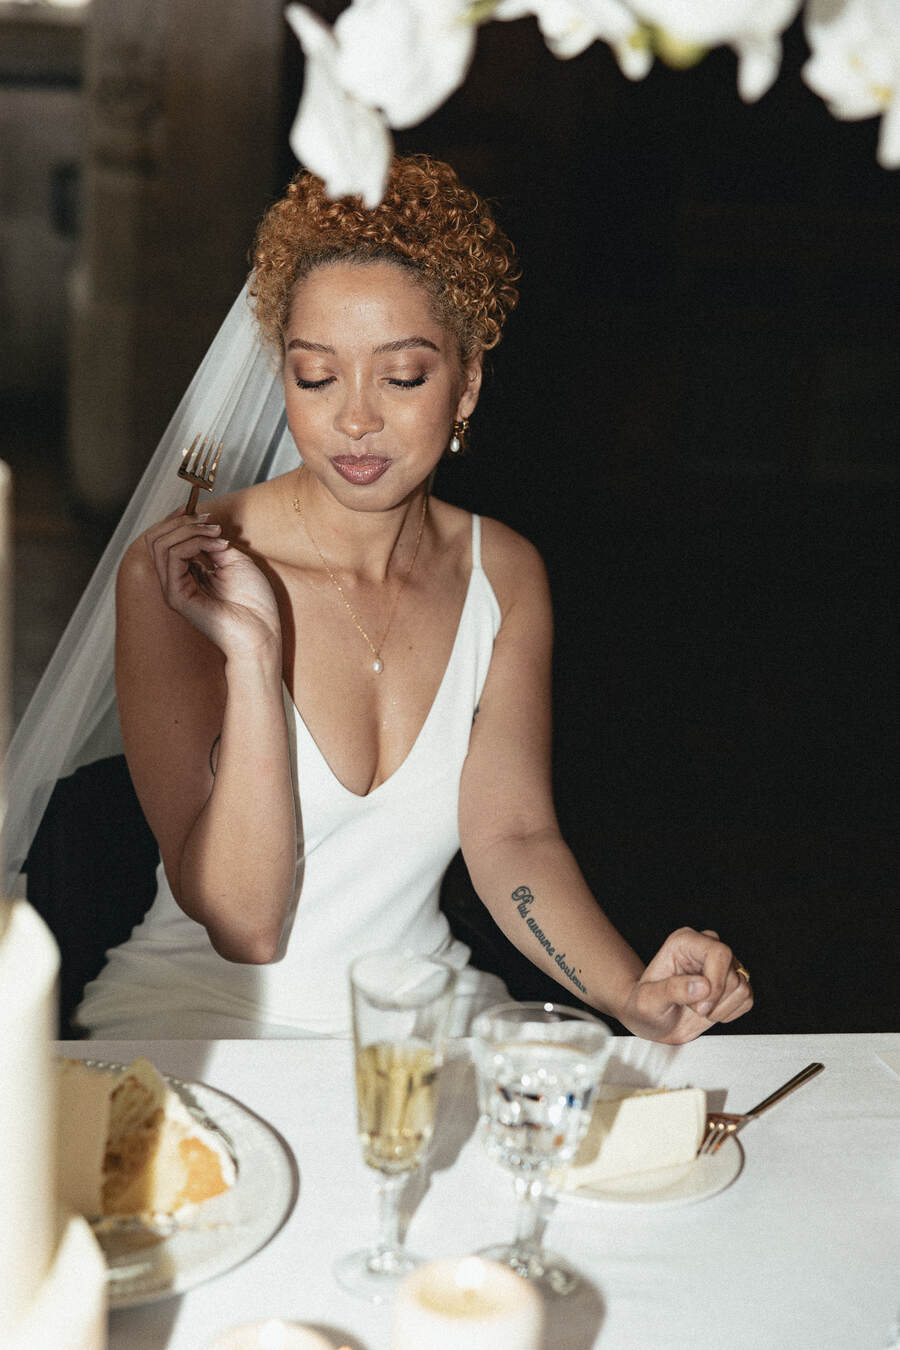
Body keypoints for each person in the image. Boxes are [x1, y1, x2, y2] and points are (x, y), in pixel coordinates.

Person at [15, 155, 753, 1041]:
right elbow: (246, 925)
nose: (355, 418)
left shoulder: (505, 575)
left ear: (467, 383)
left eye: (401, 376)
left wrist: (628, 993)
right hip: (199, 1024)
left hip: (426, 1023)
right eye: (315, 376)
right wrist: (254, 657)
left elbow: (513, 839)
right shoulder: (182, 572)